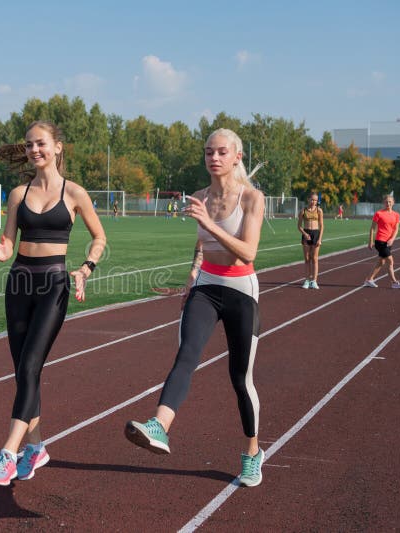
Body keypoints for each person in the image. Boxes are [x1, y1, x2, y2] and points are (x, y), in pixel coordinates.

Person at [124, 128, 267, 487]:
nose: (213, 158)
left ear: (237, 156)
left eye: (221, 152)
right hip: (206, 285)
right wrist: (192, 274)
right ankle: (159, 426)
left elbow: (247, 252)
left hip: (241, 289)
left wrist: (208, 223)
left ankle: (252, 451)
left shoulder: (252, 198)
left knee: (240, 378)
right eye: (208, 152)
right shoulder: (201, 196)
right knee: (186, 355)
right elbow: (202, 244)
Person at [0, 121, 106, 485]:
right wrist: (2, 249)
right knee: (24, 372)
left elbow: (99, 237)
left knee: (32, 365)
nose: (34, 150)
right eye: (28, 145)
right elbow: (9, 243)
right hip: (19, 283)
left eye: (40, 144)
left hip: (54, 285)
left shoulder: (75, 194)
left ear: (57, 147)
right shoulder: (17, 194)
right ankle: (36, 448)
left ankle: (8, 452)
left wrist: (86, 268)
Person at [363, 194, 400, 289]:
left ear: (393, 203)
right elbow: (372, 229)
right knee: (390, 261)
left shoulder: (396, 215)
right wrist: (370, 241)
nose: (388, 203)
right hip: (380, 241)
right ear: (383, 203)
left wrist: (392, 239)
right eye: (386, 202)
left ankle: (369, 279)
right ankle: (394, 282)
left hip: (389, 242)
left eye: (390, 201)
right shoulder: (379, 213)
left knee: (381, 262)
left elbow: (396, 229)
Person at [297, 193, 324, 289]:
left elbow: (322, 226)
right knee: (307, 259)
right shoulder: (303, 211)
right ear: (308, 199)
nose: (313, 202)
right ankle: (307, 280)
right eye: (312, 200)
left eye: (315, 200)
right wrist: (304, 234)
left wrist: (320, 239)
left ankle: (314, 281)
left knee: (315, 258)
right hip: (306, 234)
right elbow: (299, 226)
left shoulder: (319, 210)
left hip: (316, 234)